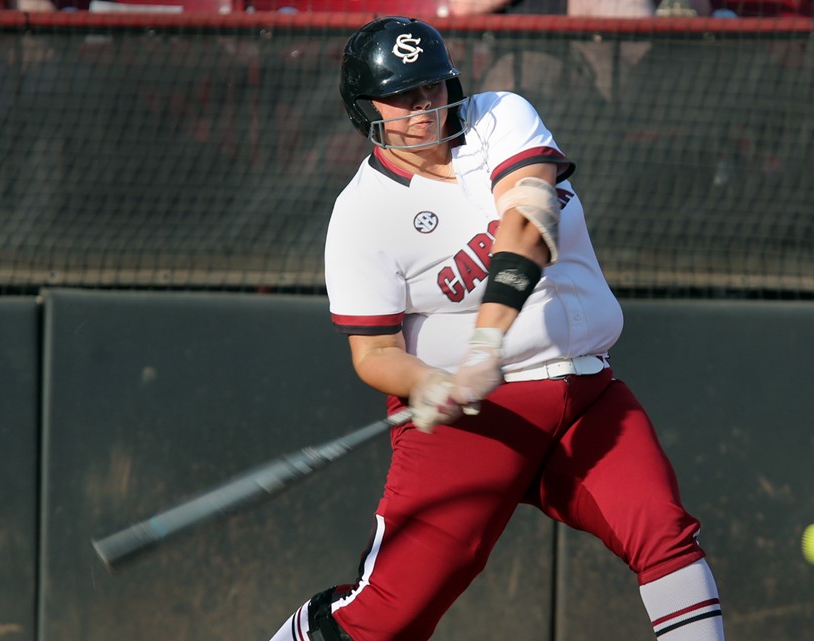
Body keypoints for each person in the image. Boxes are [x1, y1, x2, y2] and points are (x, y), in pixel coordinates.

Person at [268, 16, 726, 641]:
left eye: (430, 87)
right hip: (475, 418)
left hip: (586, 392)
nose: (422, 107)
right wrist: (425, 382)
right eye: (401, 96)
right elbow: (374, 353)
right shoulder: (360, 215)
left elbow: (531, 217)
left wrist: (487, 338)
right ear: (364, 109)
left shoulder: (498, 117)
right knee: (391, 615)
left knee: (664, 533)